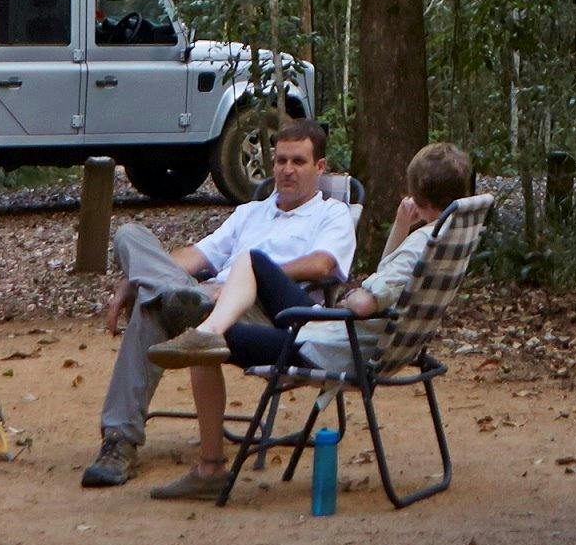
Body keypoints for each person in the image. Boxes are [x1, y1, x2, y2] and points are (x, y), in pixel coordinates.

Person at [83, 120, 360, 495]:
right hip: (207, 297)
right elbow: (195, 257)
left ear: (320, 167)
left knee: (154, 308)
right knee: (132, 237)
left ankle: (121, 438)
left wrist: (243, 281)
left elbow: (323, 265)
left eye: (298, 161)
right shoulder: (251, 212)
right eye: (280, 160)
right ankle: (120, 439)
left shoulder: (332, 214)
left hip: (264, 312)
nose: (287, 170)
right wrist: (135, 276)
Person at [200, 139, 477, 390]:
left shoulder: (418, 248)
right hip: (339, 335)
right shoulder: (446, 236)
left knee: (225, 336)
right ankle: (209, 328)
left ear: (416, 192)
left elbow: (365, 305)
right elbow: (389, 276)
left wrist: (354, 298)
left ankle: (205, 332)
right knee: (253, 260)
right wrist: (402, 223)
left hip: (327, 350)